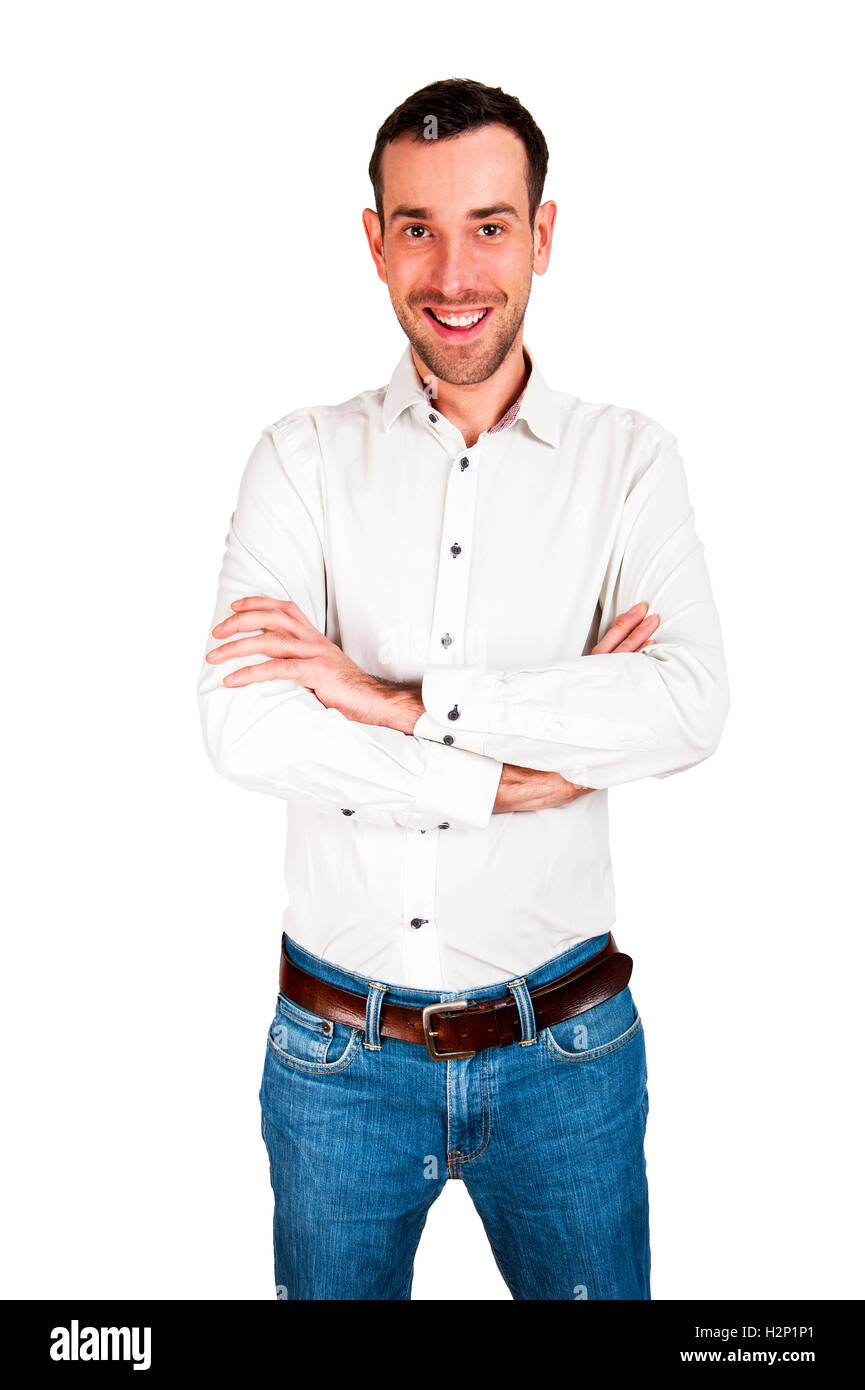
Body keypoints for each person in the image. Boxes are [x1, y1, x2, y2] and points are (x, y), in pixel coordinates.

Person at [197, 77, 730, 1301]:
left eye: (489, 225)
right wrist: (509, 773)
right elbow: (243, 722)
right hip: (336, 1056)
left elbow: (686, 702)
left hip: (568, 1054)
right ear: (373, 239)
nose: (453, 273)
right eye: (419, 228)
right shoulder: (300, 459)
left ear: (543, 235)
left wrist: (388, 698)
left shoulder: (629, 464)